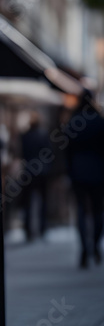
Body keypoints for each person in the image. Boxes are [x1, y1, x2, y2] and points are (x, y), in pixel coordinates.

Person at [65, 96, 104, 268]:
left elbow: (66, 150)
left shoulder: (73, 122)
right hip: (99, 172)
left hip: (78, 172)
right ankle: (94, 244)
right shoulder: (99, 122)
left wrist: (69, 172)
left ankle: (84, 247)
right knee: (98, 210)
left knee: (81, 209)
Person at [20, 112, 52, 241]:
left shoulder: (25, 135)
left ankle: (28, 230)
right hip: (42, 170)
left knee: (27, 202)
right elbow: (49, 153)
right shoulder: (43, 134)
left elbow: (23, 152)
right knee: (43, 201)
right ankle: (42, 228)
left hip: (29, 170)